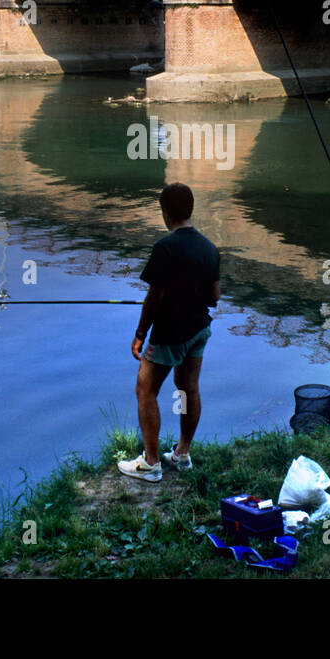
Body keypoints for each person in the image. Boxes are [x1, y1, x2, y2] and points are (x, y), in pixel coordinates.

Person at [118, 183, 220, 482]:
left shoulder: (165, 248)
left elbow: (154, 297)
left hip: (170, 333)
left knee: (145, 389)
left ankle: (151, 463)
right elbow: (214, 297)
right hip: (199, 329)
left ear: (166, 213)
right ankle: (182, 454)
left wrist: (139, 333)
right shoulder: (209, 248)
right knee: (189, 388)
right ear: (190, 210)